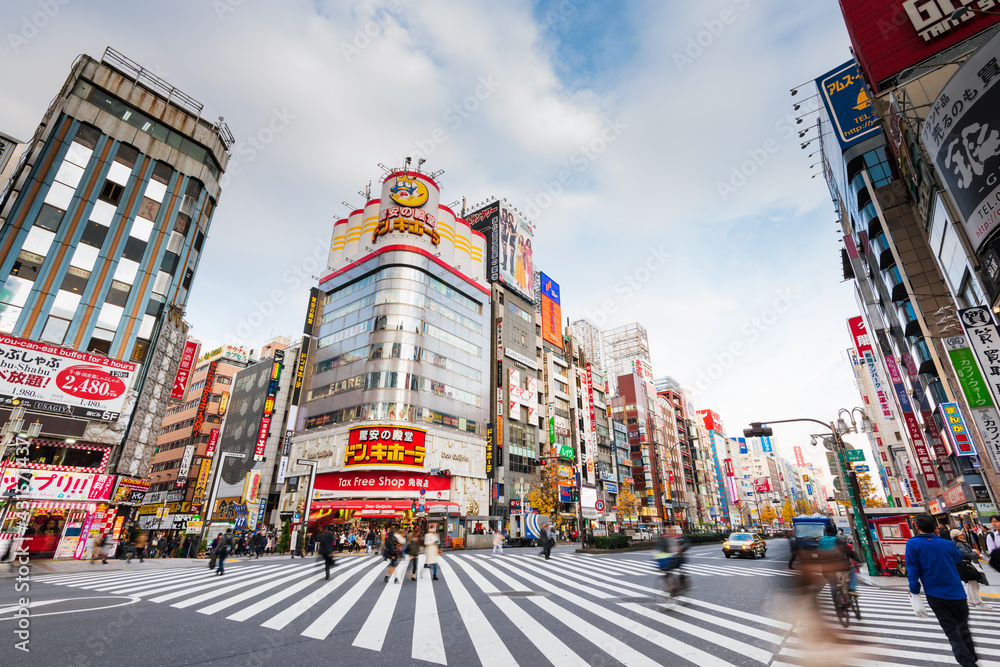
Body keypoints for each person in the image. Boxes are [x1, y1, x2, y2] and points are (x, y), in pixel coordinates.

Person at [906, 513, 978, 667]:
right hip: (957, 592)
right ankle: (971, 656)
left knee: (951, 630)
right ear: (935, 528)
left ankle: (968, 662)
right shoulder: (947, 544)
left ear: (916, 527)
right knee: (963, 626)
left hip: (936, 594)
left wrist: (914, 589)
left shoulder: (913, 544)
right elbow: (958, 558)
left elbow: (912, 569)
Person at [952, 528, 991, 610]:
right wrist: (976, 554)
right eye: (961, 534)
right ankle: (979, 603)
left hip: (964, 566)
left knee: (971, 582)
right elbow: (966, 555)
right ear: (957, 536)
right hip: (967, 566)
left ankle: (971, 600)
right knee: (974, 583)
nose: (963, 535)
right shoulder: (959, 544)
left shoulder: (957, 543)